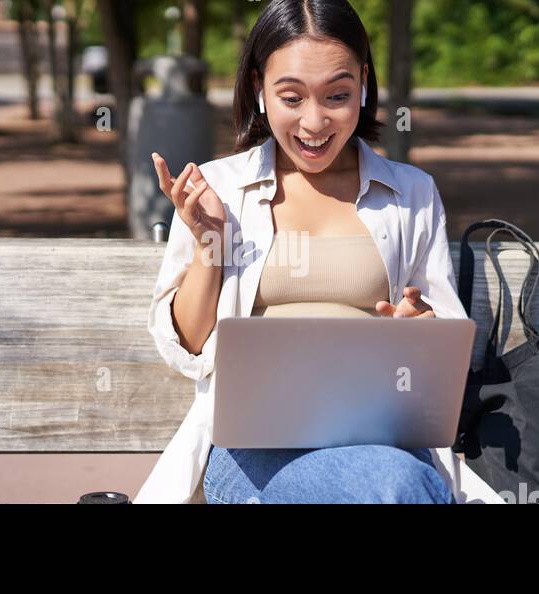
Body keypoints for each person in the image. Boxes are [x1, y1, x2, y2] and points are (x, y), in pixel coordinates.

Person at [139, 0, 502, 504]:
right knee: (398, 489)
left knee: (395, 483)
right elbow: (189, 350)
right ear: (257, 89)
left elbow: (445, 348)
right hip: (253, 449)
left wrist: (421, 328)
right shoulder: (217, 188)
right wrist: (209, 245)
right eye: (291, 97)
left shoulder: (412, 193)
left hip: (385, 438)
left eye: (337, 95)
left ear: (364, 86)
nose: (314, 123)